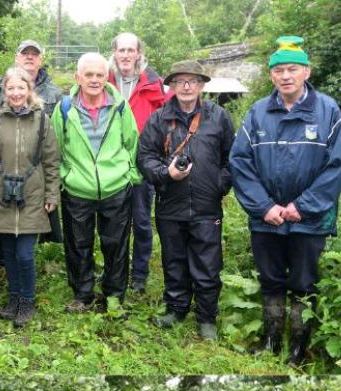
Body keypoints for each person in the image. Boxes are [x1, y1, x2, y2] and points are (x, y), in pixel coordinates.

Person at [231, 35, 341, 366]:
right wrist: (264, 206)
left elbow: (336, 167)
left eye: (292, 69)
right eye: (279, 70)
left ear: (306, 72)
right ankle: (270, 339)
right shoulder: (256, 113)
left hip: (309, 219)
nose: (286, 76)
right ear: (271, 75)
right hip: (265, 218)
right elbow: (240, 163)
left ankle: (298, 346)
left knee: (303, 282)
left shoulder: (328, 111)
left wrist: (303, 206)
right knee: (270, 279)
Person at [137, 60, 234, 341]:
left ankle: (206, 318)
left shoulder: (219, 117)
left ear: (202, 85)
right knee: (174, 261)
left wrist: (219, 185)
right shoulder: (159, 119)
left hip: (207, 205)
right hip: (170, 204)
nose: (187, 86)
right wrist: (164, 174)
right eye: (180, 81)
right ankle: (176, 308)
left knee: (207, 263)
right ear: (172, 86)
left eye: (192, 81)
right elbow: (145, 157)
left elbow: (233, 158)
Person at [53, 51, 141, 313]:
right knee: (78, 245)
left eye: (99, 75)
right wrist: (64, 177)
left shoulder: (120, 106)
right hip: (77, 189)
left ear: (106, 77)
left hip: (115, 188)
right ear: (77, 77)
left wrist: (129, 174)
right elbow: (55, 147)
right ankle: (83, 295)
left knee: (116, 245)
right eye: (88, 75)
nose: (94, 80)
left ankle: (114, 297)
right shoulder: (65, 108)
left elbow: (132, 142)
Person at [0, 67, 60, 328]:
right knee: (9, 253)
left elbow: (51, 161)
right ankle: (13, 297)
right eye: (10, 88)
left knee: (25, 254)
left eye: (20, 87)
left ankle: (27, 300)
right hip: (2, 194)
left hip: (32, 194)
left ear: (29, 90)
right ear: (5, 91)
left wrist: (52, 194)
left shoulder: (43, 120)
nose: (15, 93)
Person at [0, 39, 65, 252]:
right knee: (4, 222)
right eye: (24, 53)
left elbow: (58, 135)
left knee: (30, 239)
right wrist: (3, 130)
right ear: (16, 57)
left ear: (40, 59)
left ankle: (41, 254)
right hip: (5, 163)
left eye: (34, 54)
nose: (29, 57)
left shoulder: (54, 92)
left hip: (34, 169)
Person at [108, 32, 169, 295]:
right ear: (114, 53)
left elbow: (167, 122)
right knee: (113, 222)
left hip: (144, 163)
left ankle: (140, 275)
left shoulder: (155, 85)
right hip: (111, 164)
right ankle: (114, 270)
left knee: (142, 222)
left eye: (130, 50)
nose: (125, 55)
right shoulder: (104, 80)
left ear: (138, 53)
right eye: (121, 50)